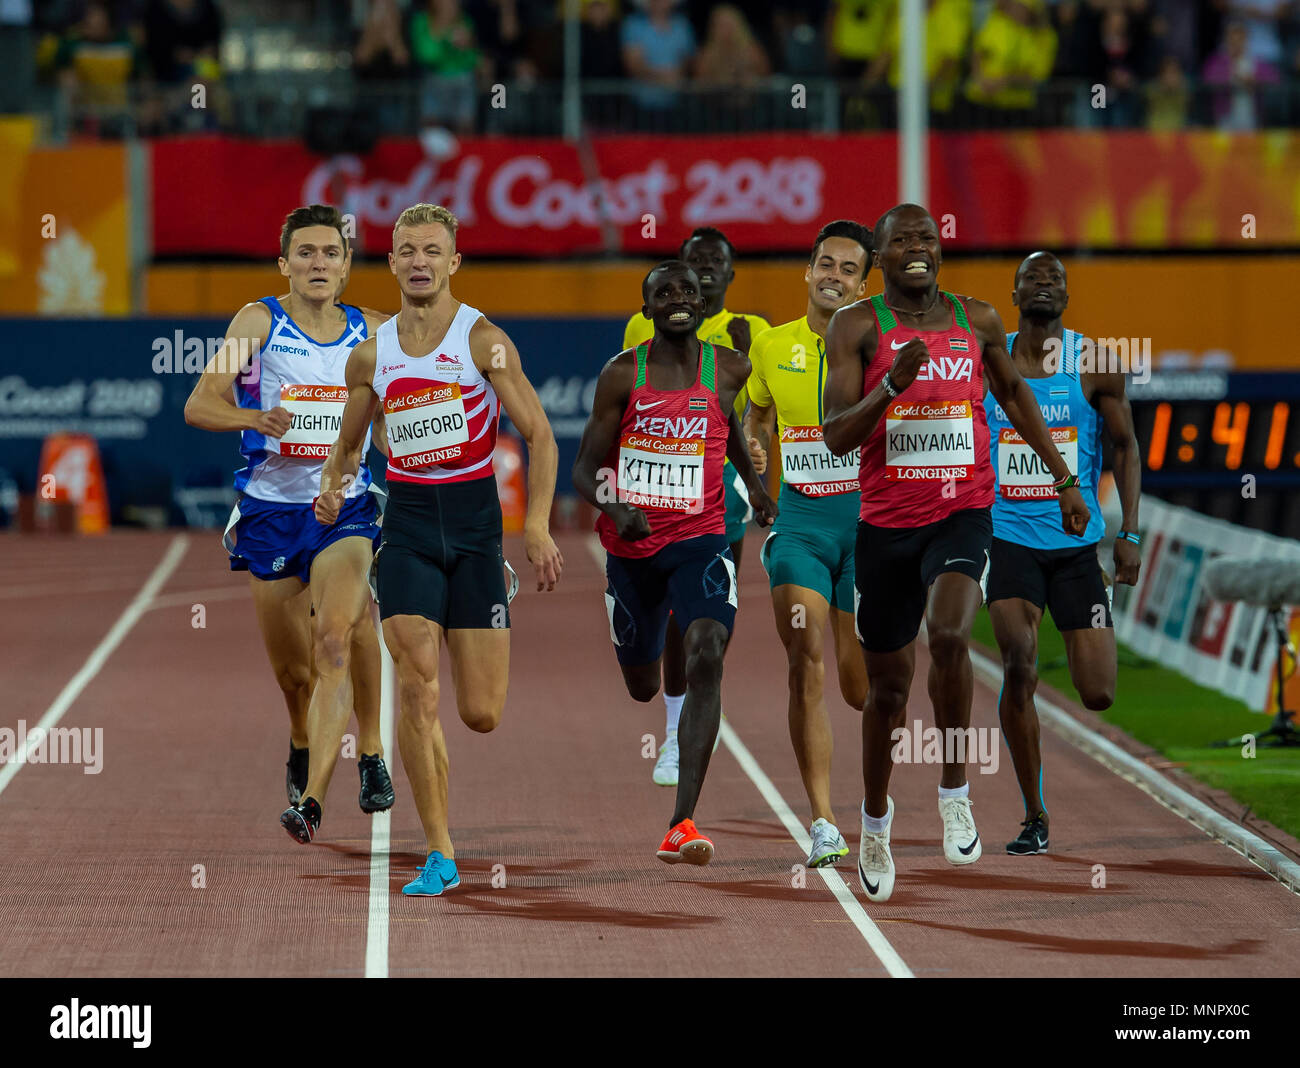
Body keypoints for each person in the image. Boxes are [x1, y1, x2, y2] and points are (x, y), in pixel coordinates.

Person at [821, 203, 1089, 903]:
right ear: (880, 258)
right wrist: (891, 385)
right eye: (902, 240)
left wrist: (1063, 478)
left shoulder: (978, 320)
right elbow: (835, 437)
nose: (918, 247)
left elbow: (1015, 396)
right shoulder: (856, 326)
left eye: (928, 237)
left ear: (940, 251)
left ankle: (954, 791)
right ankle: (874, 823)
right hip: (885, 527)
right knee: (886, 691)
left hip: (962, 514)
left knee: (947, 635)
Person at [313, 202, 563, 896]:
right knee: (418, 687)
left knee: (480, 713)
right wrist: (332, 488)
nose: (419, 262)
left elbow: (541, 436)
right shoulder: (373, 355)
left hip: (477, 531)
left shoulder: (483, 342)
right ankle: (439, 851)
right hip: (410, 531)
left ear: (453, 262)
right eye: (407, 251)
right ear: (391, 262)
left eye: (432, 251)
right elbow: (348, 446)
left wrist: (536, 525)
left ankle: (489, 592)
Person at [183, 204, 396, 828]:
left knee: (340, 632)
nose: (318, 264)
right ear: (285, 264)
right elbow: (199, 404)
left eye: (330, 253)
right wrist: (255, 417)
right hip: (271, 513)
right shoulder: (259, 321)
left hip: (345, 507)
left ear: (347, 266)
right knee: (294, 672)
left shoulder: (375, 331)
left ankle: (367, 757)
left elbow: (390, 426)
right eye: (305, 253)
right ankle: (302, 739)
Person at [574, 259, 777, 865]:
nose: (679, 299)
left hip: (701, 538)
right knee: (642, 685)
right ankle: (647, 628)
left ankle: (682, 820)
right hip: (633, 549)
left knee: (707, 651)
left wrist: (756, 489)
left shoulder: (730, 368)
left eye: (688, 290)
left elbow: (728, 426)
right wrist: (616, 505)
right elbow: (584, 469)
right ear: (648, 309)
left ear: (703, 303)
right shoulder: (622, 374)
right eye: (664, 293)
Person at [984, 252, 1142, 855]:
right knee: (1019, 664)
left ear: (1068, 298)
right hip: (1008, 540)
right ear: (1015, 294)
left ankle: (1036, 807)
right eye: (1033, 277)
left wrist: (1129, 534)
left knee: (1098, 692)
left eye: (1056, 279)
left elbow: (1126, 447)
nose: (1044, 284)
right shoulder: (987, 362)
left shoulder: (1095, 363)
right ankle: (1035, 814)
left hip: (1077, 549)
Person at [743, 219, 872, 869]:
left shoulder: (881, 345)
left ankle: (875, 799)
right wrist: (755, 441)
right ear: (808, 269)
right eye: (826, 263)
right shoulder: (771, 345)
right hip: (799, 525)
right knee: (804, 656)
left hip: (869, 526)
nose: (833, 276)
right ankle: (823, 820)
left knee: (860, 686)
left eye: (848, 269)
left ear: (863, 285)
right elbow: (757, 412)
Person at [623, 227, 771, 788]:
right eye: (695, 260)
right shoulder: (642, 324)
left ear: (730, 273)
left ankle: (694, 713)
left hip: (721, 488)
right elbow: (630, 399)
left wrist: (757, 457)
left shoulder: (750, 331)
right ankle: (673, 730)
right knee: (670, 617)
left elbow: (754, 411)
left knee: (710, 618)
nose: (706, 268)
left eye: (717, 261)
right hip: (660, 485)